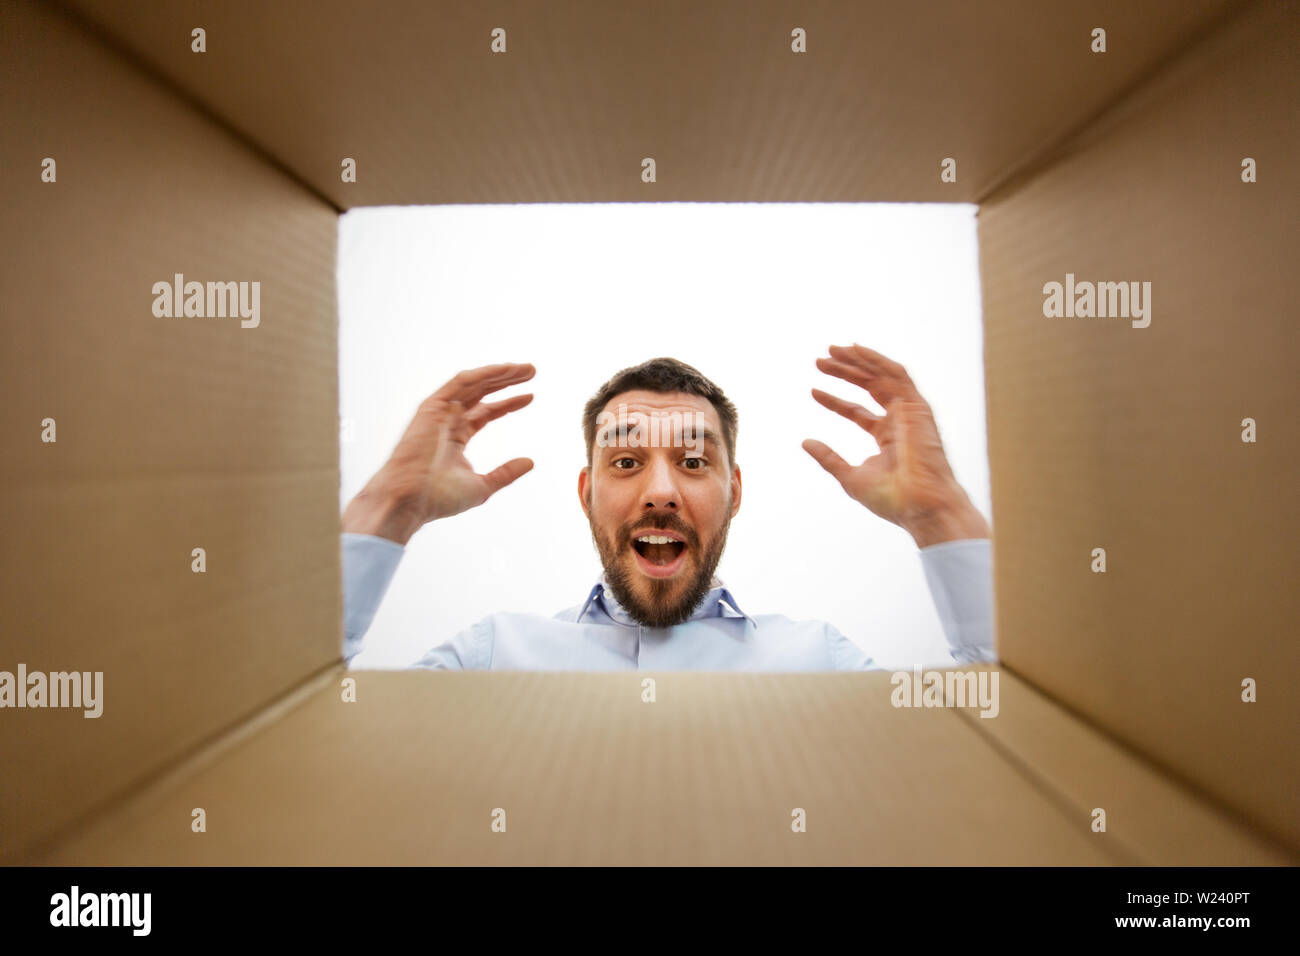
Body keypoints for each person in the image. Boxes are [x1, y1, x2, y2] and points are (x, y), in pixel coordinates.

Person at [340, 344, 994, 670]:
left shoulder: (818, 660)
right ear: (586, 493)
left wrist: (940, 516)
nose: (661, 492)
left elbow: (1015, 749)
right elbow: (286, 731)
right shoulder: (492, 657)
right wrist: (389, 508)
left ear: (734, 493)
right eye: (625, 463)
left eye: (692, 462)